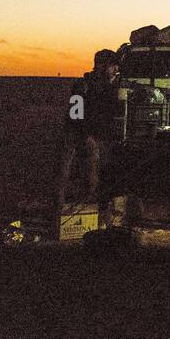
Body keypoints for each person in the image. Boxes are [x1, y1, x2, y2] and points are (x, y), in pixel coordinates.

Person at [54, 49, 121, 235]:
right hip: (75, 134)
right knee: (64, 173)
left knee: (93, 176)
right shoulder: (83, 85)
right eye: (113, 66)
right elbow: (75, 115)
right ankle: (60, 215)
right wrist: (87, 135)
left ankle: (88, 214)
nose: (116, 69)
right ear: (102, 66)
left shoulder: (109, 87)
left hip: (92, 136)